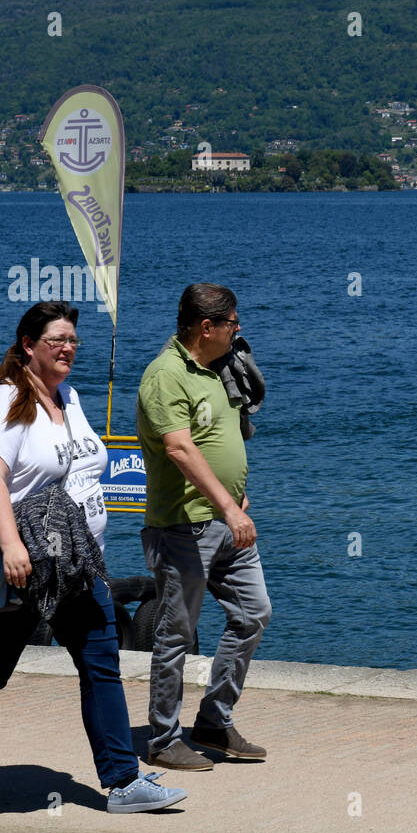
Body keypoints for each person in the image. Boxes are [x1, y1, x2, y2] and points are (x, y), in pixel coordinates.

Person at [0, 300, 186, 814]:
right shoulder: (7, 399)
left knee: (101, 663)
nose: (68, 348)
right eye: (57, 340)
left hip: (75, 564)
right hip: (23, 568)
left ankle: (124, 782)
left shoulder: (67, 397)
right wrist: (13, 547)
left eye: (73, 340)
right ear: (29, 346)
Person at [137, 283, 271, 771]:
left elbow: (220, 437)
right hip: (183, 525)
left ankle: (214, 719)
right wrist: (228, 507)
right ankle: (163, 737)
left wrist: (235, 498)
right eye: (233, 323)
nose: (240, 330)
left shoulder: (219, 369)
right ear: (206, 327)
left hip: (227, 519)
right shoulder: (165, 376)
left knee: (253, 613)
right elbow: (178, 448)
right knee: (176, 633)